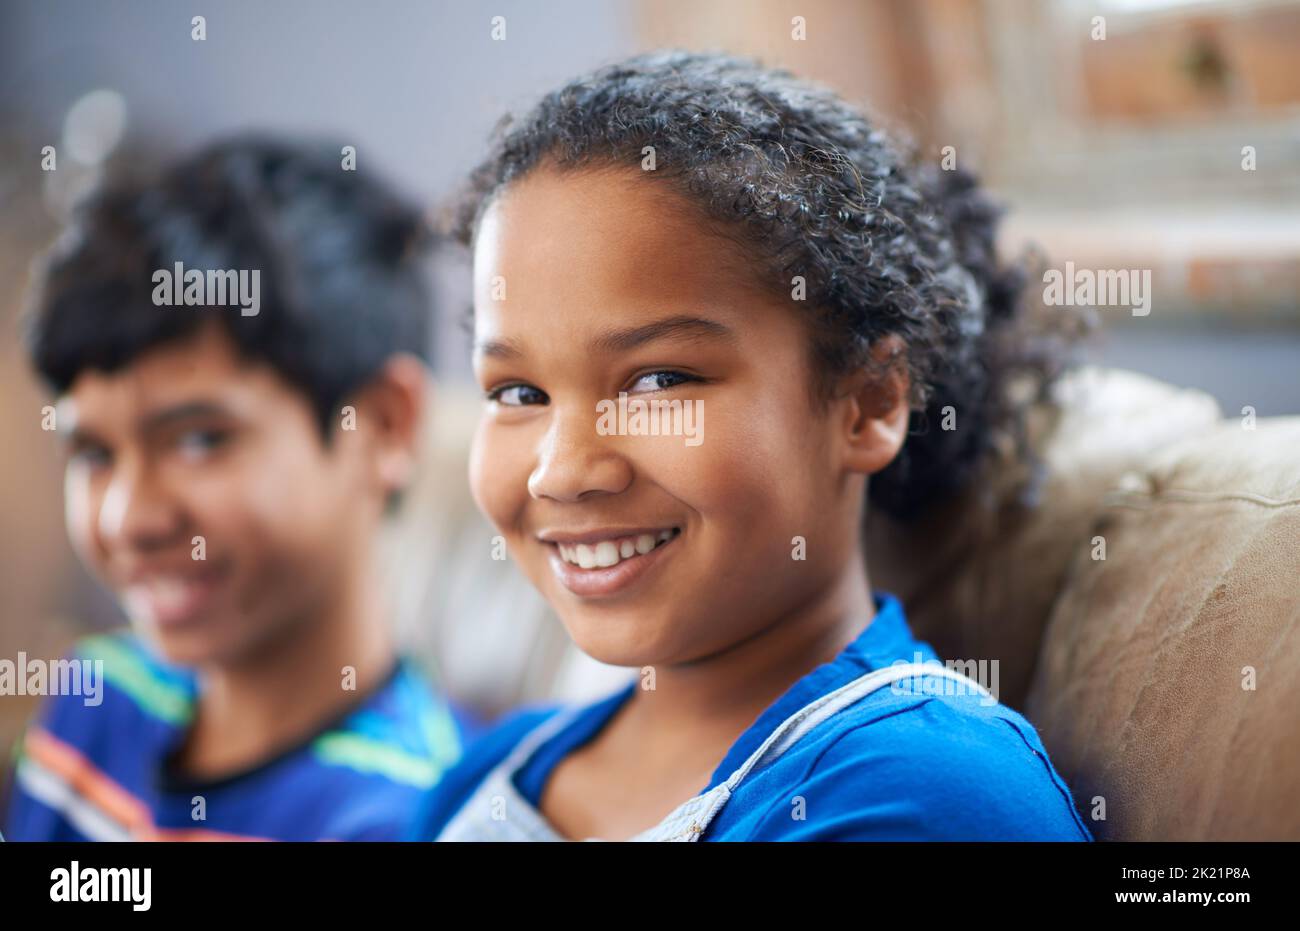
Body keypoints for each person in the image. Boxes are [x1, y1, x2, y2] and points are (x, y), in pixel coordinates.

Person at [412, 51, 1093, 841]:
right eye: (518, 393)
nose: (563, 470)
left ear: (868, 404)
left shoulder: (925, 791)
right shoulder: (483, 775)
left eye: (658, 380)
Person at [4, 135, 468, 841]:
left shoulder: (415, 816)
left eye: (199, 440)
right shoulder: (99, 697)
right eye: (94, 452)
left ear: (382, 425)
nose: (131, 517)